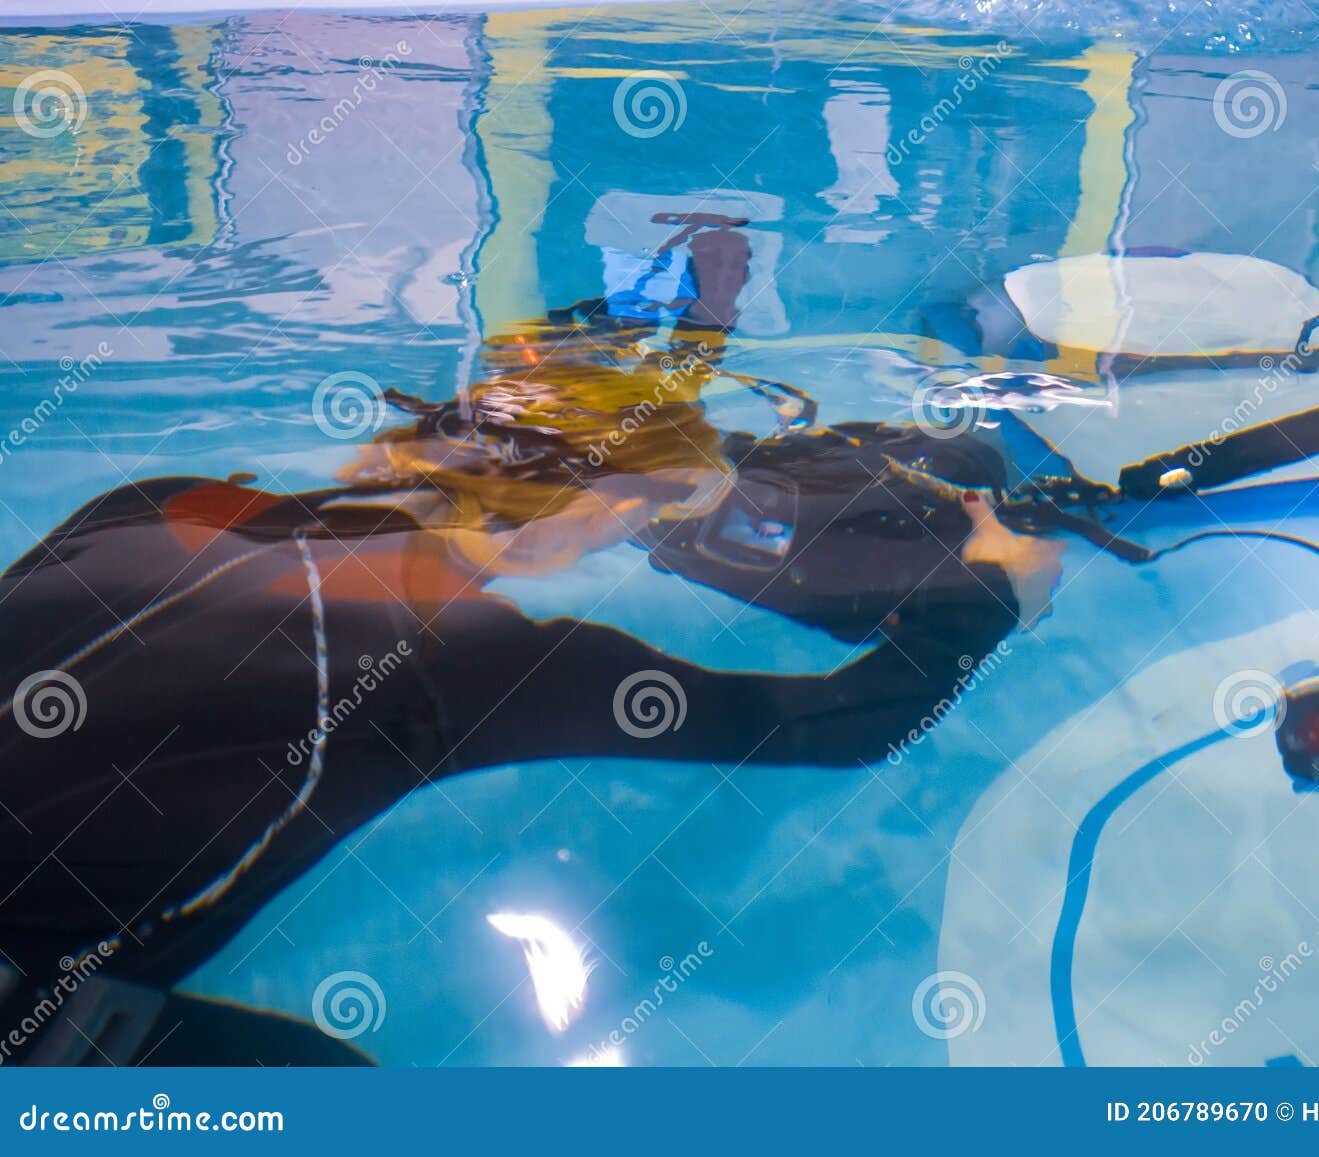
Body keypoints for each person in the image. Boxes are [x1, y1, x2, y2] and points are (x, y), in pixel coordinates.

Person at [0, 234, 1067, 1065]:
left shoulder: (154, 504)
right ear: (588, 516)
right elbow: (843, 725)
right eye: (640, 517)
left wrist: (664, 319)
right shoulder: (473, 662)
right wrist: (993, 595)